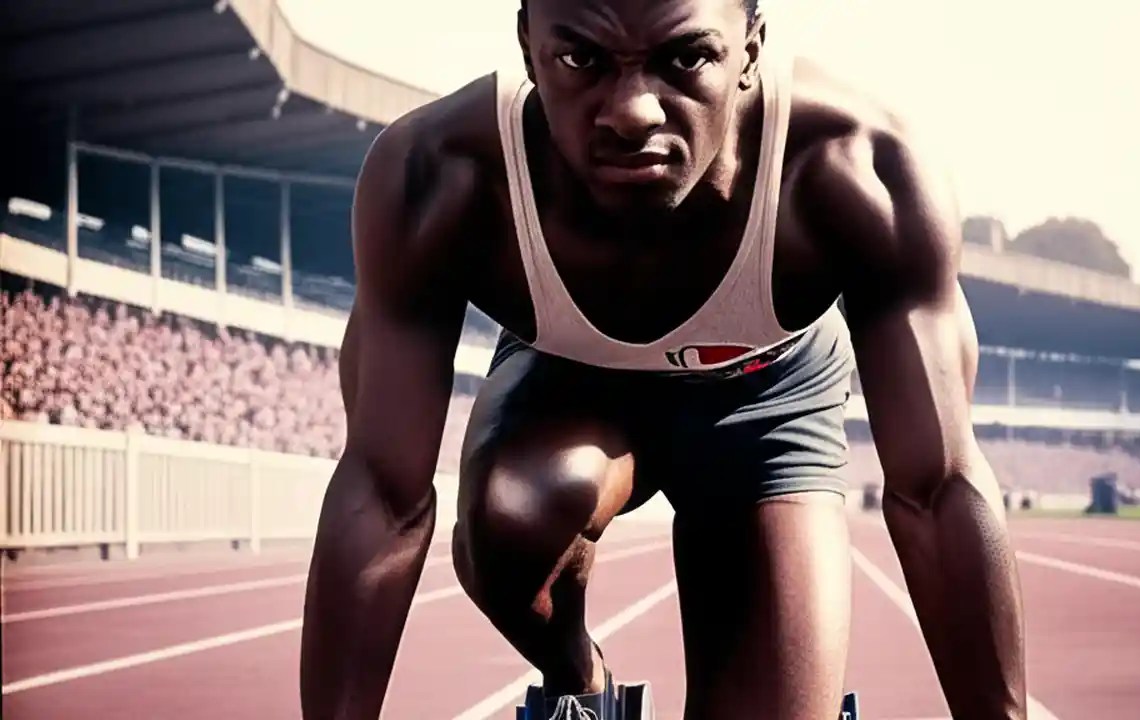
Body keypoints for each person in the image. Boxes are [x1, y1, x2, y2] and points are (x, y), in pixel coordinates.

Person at [299, 0, 1028, 718]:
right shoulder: (438, 175)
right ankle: (579, 678)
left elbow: (937, 489)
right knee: (516, 509)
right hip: (569, 386)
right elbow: (383, 495)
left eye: (687, 58)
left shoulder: (858, 168)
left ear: (751, 49)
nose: (632, 113)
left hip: (767, 404)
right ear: (527, 46)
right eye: (581, 58)